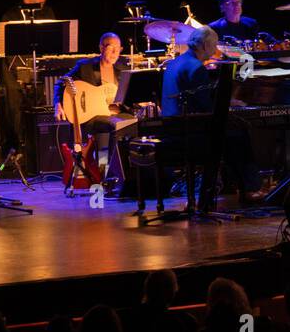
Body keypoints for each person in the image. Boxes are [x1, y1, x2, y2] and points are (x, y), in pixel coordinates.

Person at [160, 26, 266, 203]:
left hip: (172, 127)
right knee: (239, 133)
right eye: (214, 45)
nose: (216, 50)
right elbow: (208, 107)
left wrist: (226, 101)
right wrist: (229, 104)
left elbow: (196, 98)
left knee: (233, 131)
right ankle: (250, 188)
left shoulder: (175, 63)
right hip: (189, 131)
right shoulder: (196, 68)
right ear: (204, 45)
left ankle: (236, 184)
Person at [54, 32, 134, 187]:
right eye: (110, 48)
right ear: (101, 48)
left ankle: (125, 173)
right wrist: (58, 104)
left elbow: (129, 96)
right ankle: (106, 176)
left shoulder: (122, 70)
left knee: (132, 122)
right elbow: (61, 82)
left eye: (118, 49)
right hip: (92, 117)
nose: (114, 53)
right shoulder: (85, 67)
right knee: (114, 125)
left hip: (115, 115)